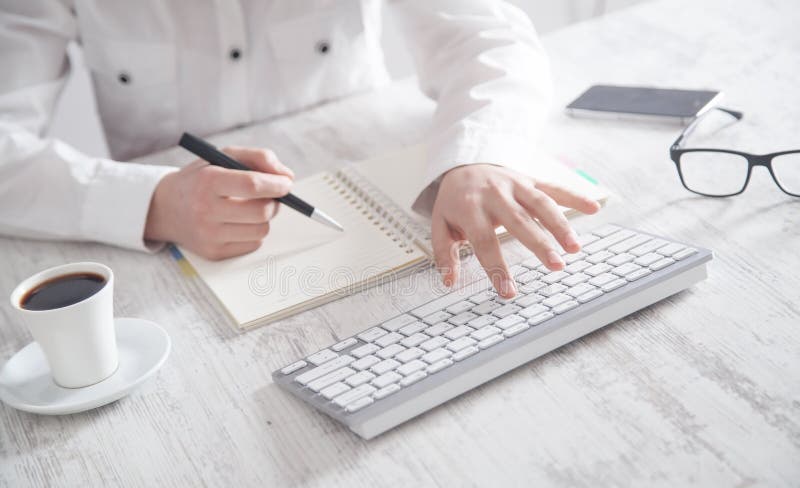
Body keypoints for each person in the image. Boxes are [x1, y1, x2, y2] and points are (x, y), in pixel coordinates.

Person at [0, 0, 599, 298]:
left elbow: (488, 35)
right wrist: (151, 201)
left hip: (373, 192)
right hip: (174, 275)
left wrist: (481, 151)